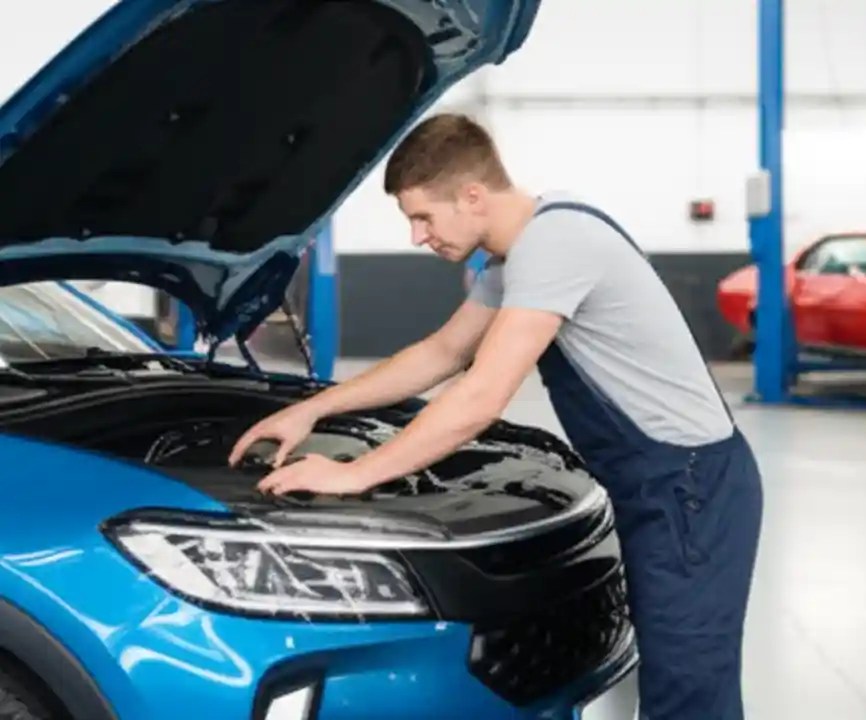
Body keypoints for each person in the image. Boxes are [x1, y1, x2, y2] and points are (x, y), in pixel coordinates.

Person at [227, 113, 764, 719]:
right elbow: (442, 353)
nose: (416, 237)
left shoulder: (555, 245)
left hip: (690, 488)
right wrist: (313, 409)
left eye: (422, 216)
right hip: (664, 487)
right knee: (673, 677)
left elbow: (481, 396)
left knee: (689, 691)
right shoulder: (520, 254)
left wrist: (355, 473)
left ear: (472, 195)